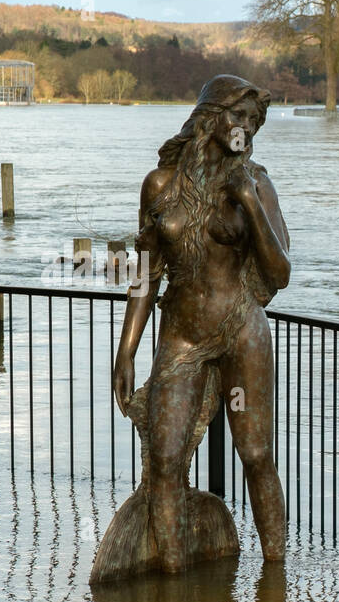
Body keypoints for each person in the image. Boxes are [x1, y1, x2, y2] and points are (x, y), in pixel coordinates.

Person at [110, 74, 290, 573]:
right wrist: (126, 350)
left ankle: (275, 581)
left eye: (255, 121)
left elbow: (280, 274)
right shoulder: (159, 185)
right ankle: (172, 587)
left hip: (241, 330)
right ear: (210, 118)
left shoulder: (257, 182)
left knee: (255, 455)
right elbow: (145, 274)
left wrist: (250, 202)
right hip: (182, 336)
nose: (247, 129)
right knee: (165, 463)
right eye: (239, 116)